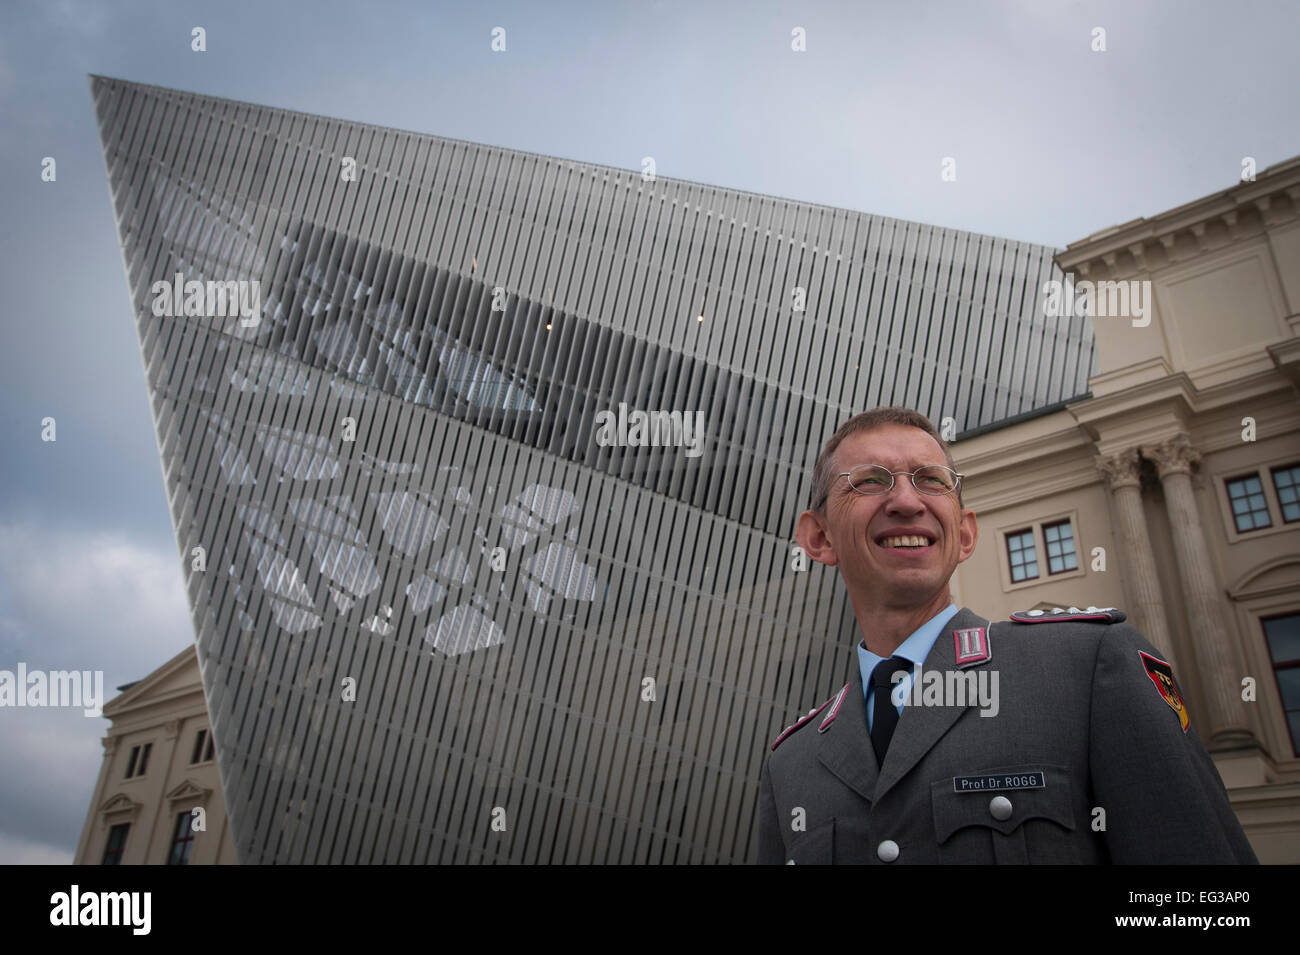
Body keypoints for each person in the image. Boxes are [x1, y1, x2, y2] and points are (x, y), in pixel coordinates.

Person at [757, 406, 1258, 864]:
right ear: (818, 538)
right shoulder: (791, 763)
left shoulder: (1086, 667)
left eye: (932, 481)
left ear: (966, 533)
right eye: (870, 481)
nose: (907, 501)